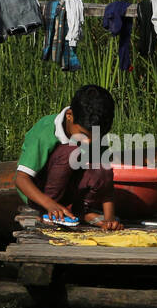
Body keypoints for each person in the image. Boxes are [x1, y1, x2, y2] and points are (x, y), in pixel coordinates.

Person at [14, 84, 122, 229]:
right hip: (41, 196)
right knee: (70, 152)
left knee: (102, 167)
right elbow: (21, 179)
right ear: (69, 116)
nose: (88, 142)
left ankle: (81, 211)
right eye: (83, 134)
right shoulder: (45, 130)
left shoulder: (95, 134)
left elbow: (105, 180)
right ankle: (49, 212)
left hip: (69, 192)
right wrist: (49, 204)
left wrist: (110, 220)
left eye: (95, 137)